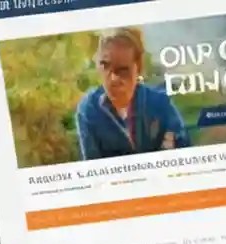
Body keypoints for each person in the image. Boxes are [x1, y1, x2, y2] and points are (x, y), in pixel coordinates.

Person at [75, 28, 189, 160]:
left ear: (138, 68)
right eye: (105, 66)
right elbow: (93, 167)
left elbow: (183, 153)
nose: (113, 78)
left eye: (123, 70)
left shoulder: (160, 103)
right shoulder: (88, 109)